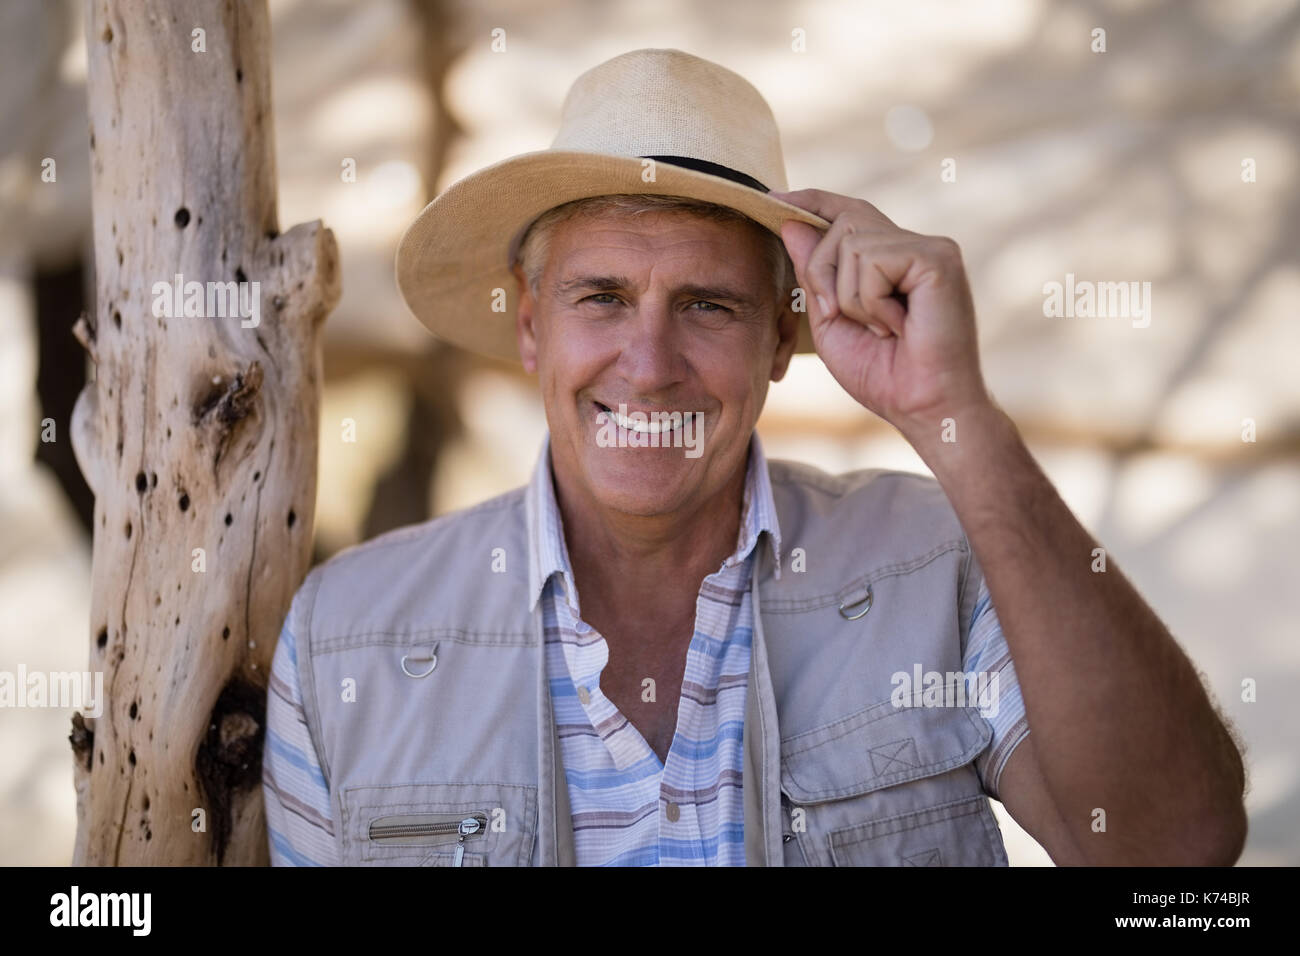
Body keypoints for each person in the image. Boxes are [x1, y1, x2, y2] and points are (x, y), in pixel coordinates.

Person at [263, 48, 1246, 866]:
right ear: (530, 328)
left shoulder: (932, 561)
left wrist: (958, 415)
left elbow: (1175, 849)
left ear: (782, 339)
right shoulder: (346, 636)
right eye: (601, 296)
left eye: (707, 304)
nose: (647, 367)